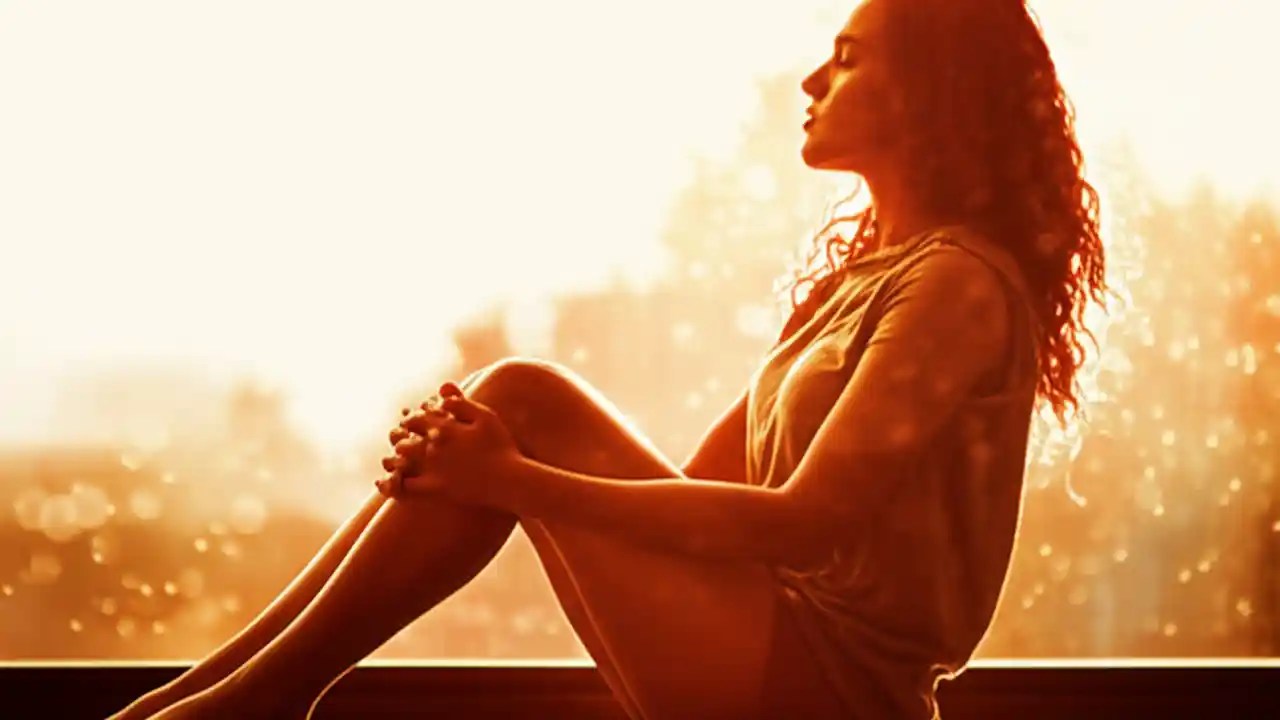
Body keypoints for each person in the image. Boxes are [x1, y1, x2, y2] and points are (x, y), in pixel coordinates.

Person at [109, 0, 1107, 717]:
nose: (811, 78)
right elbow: (707, 491)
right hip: (774, 652)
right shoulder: (860, 278)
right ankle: (214, 696)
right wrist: (495, 468)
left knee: (521, 410)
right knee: (513, 399)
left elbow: (803, 524)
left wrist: (514, 480)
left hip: (835, 691)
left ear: (930, 96)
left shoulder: (955, 285)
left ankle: (250, 701)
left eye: (845, 57)